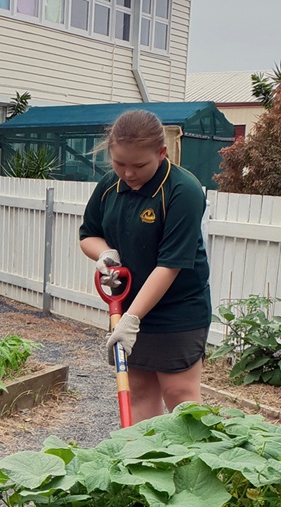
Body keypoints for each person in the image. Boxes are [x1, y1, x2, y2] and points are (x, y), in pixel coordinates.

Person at [78, 109, 212, 422]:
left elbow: (170, 265)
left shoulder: (183, 191)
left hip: (178, 309)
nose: (128, 173)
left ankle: (193, 455)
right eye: (119, 163)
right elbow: (88, 235)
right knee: (138, 391)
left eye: (139, 165)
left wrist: (131, 320)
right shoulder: (109, 186)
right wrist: (105, 254)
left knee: (180, 394)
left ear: (161, 153)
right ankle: (144, 455)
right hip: (130, 304)